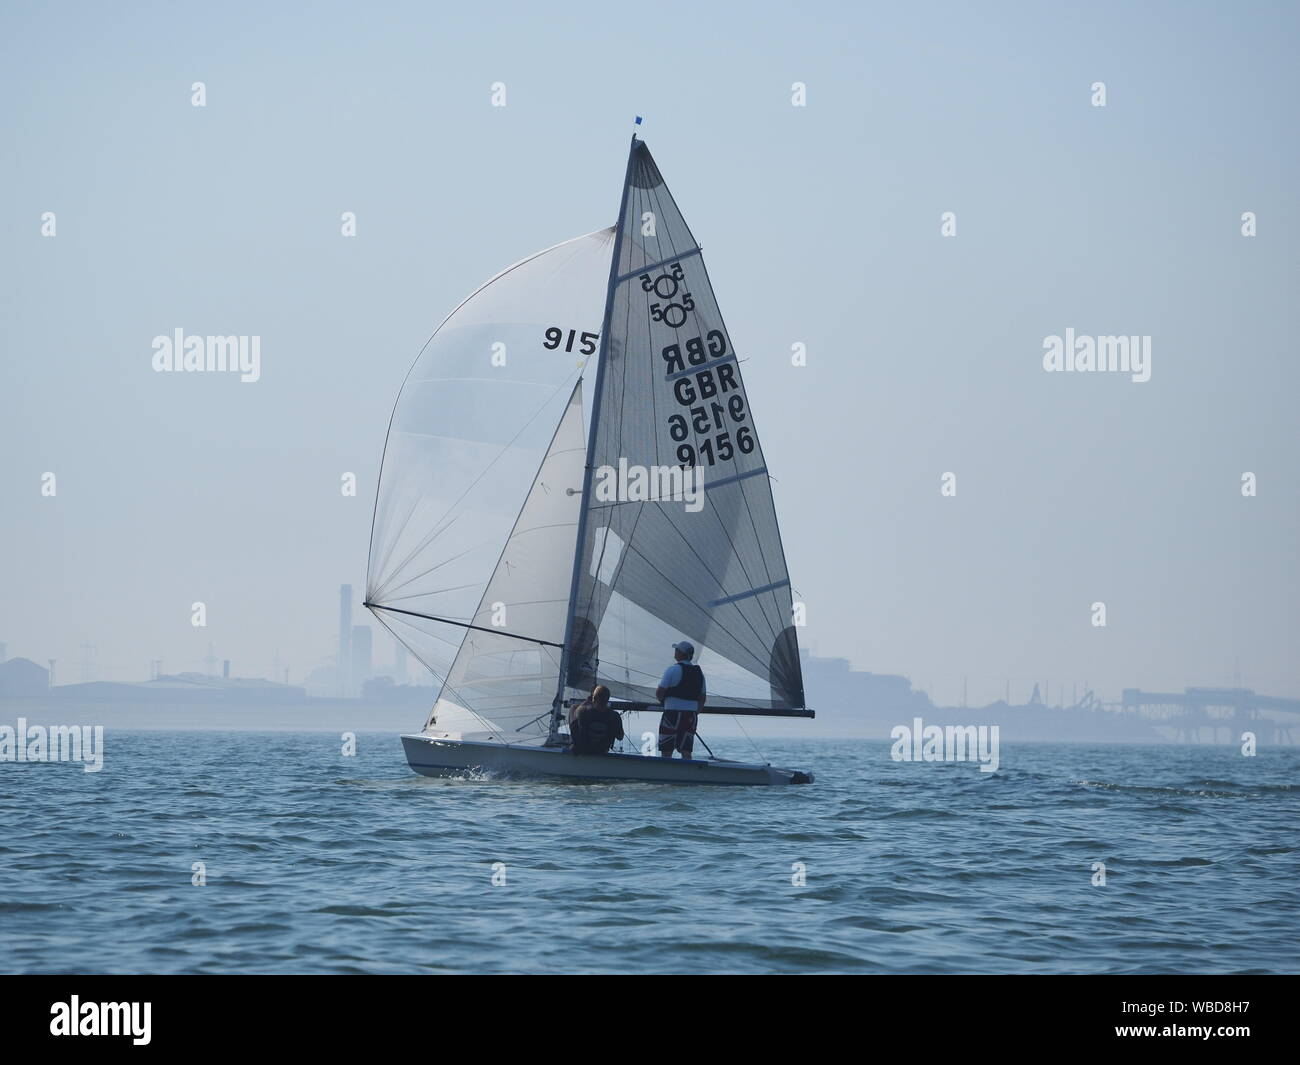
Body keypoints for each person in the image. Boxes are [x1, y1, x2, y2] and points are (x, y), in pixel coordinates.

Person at [655, 640, 705, 759]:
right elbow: (702, 698)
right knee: (686, 751)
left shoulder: (672, 670)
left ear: (681, 653)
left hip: (672, 714)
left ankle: (666, 773)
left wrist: (664, 702)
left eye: (677, 650)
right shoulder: (699, 674)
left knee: (666, 751)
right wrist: (694, 713)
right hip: (690, 716)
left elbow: (659, 693)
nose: (675, 652)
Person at [568, 685, 624, 756]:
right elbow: (620, 736)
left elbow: (574, 730)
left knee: (573, 708)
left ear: (593, 698)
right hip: (602, 752)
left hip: (581, 752)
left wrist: (585, 703)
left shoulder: (581, 711)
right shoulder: (614, 716)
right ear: (607, 699)